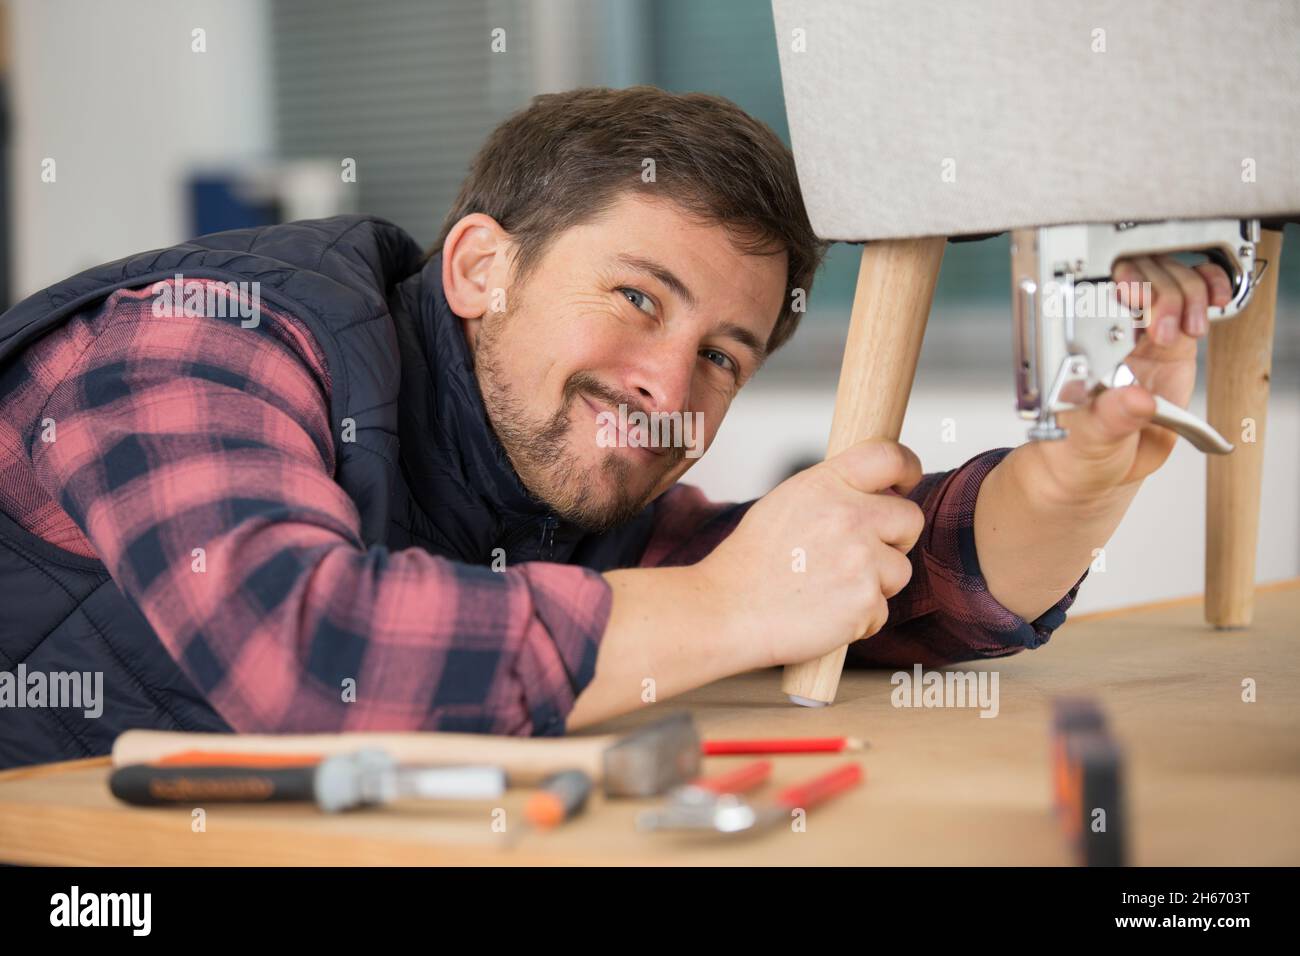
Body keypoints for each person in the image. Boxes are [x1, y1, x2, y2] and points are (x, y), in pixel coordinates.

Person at [0, 87, 1232, 766]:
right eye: (637, 296)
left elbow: (862, 589)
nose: (666, 380)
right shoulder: (194, 341)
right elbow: (303, 646)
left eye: (722, 352)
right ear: (483, 265)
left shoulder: (540, 481)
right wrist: (738, 604)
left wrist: (1077, 479)